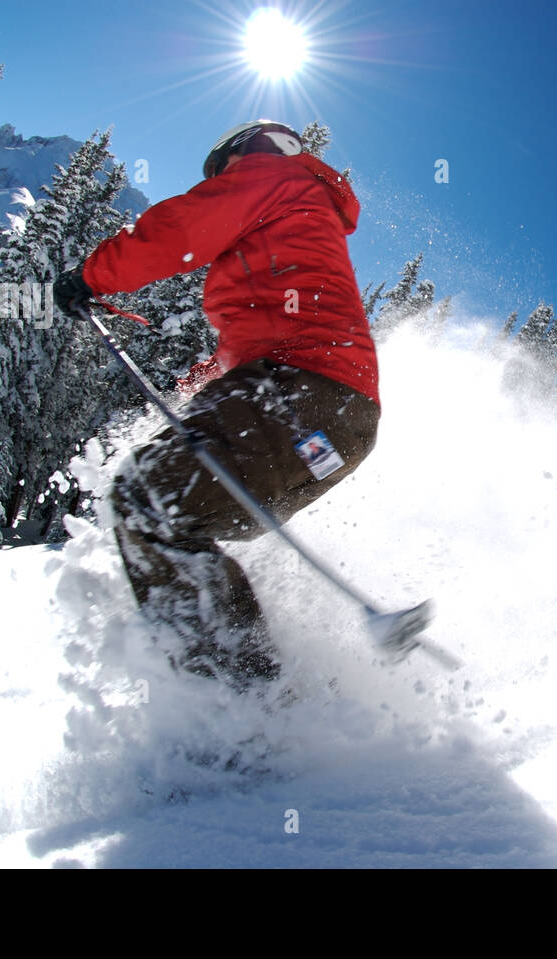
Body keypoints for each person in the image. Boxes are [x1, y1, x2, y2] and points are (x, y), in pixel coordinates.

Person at [53, 120, 379, 689]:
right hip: (334, 423)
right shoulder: (305, 207)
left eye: (219, 173)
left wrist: (90, 277)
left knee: (147, 499)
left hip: (301, 394)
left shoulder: (271, 176)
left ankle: (238, 706)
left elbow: (179, 230)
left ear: (238, 155)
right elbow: (263, 334)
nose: (221, 182)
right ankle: (249, 700)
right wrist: (202, 379)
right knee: (180, 513)